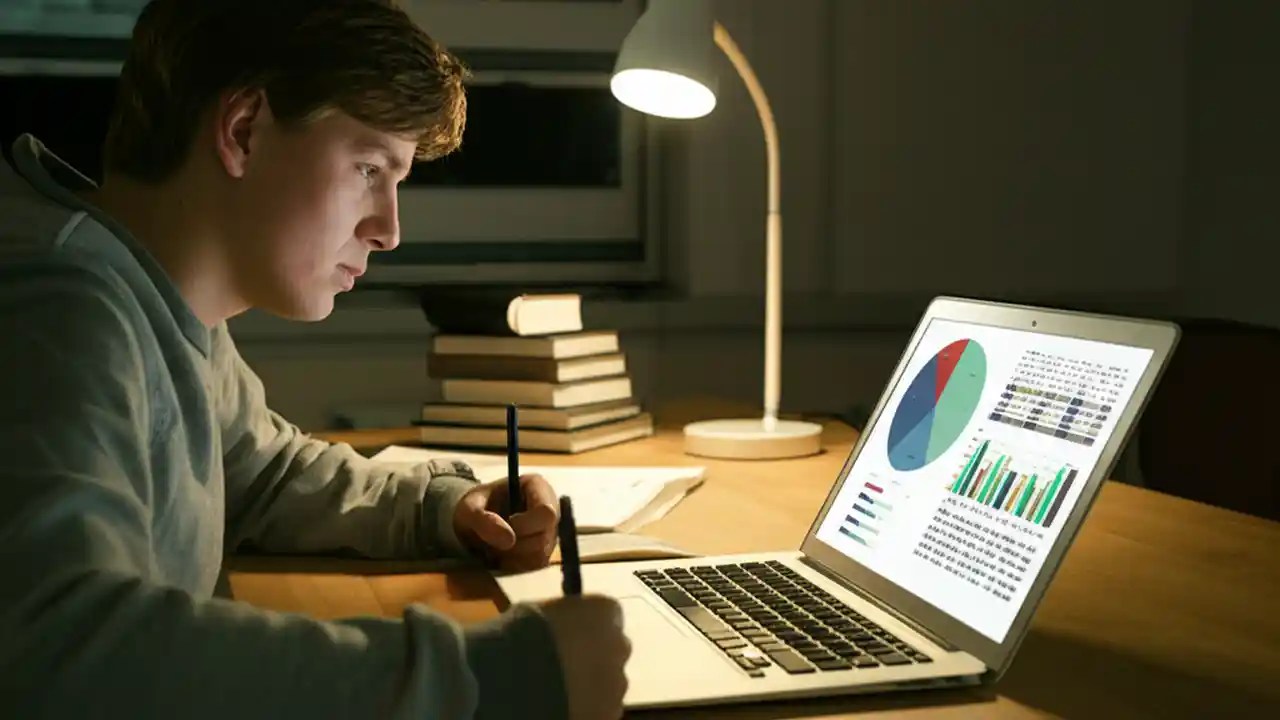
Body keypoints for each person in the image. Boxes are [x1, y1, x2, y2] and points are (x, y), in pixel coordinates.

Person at [0, 1, 629, 718]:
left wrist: (444, 507)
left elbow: (265, 475)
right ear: (242, 131)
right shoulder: (62, 310)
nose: (389, 229)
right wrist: (493, 679)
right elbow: (57, 651)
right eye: (368, 167)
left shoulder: (156, 300)